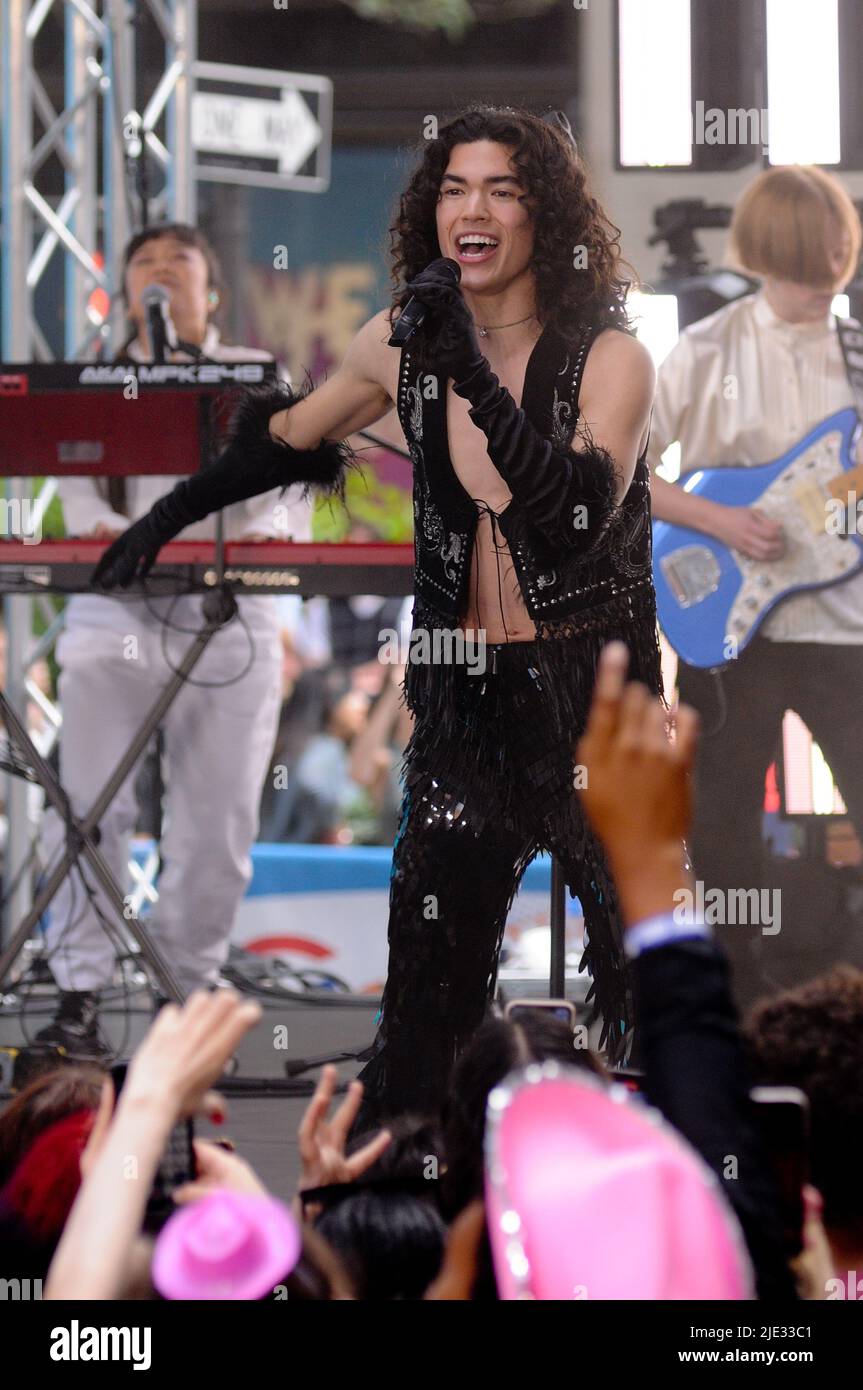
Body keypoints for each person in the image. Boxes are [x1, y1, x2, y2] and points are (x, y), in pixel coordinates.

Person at [93, 108, 662, 1122]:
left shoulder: (610, 356)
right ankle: (402, 1228)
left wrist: (472, 372)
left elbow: (573, 518)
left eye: (499, 189)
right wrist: (172, 517)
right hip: (464, 709)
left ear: (544, 213)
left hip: (595, 712)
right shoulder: (395, 345)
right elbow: (286, 437)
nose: (471, 209)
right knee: (422, 1018)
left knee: (645, 1001)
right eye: (453, 189)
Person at [37, 223, 311, 1059]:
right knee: (85, 806)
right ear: (124, 296)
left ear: (212, 295)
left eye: (177, 265)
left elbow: (294, 498)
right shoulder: (93, 380)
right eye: (143, 268)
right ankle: (80, 993)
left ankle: (182, 992)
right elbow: (83, 510)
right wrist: (152, 540)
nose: (158, 275)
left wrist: (252, 544)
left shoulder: (260, 380)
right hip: (116, 609)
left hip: (230, 611)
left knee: (217, 819)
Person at [647, 165, 863, 1012]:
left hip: (843, 632)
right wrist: (720, 521)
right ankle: (729, 1009)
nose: (822, 284)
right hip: (726, 632)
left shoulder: (854, 352)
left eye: (836, 263)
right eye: (805, 267)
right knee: (722, 828)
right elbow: (624, 472)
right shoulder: (704, 350)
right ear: (764, 256)